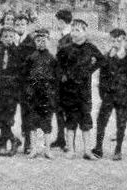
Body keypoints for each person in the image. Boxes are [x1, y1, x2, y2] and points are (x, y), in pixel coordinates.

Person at [57, 18, 102, 158]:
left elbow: (101, 59)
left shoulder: (90, 48)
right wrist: (64, 75)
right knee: (70, 119)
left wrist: (89, 70)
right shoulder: (66, 49)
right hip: (69, 90)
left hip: (84, 90)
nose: (74, 33)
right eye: (73, 30)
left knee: (85, 119)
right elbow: (58, 64)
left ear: (85, 32)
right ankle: (71, 150)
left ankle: (87, 151)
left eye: (78, 30)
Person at [91, 27, 127, 161]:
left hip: (123, 95)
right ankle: (98, 148)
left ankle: (118, 149)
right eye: (114, 40)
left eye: (119, 40)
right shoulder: (106, 57)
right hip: (108, 95)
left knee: (121, 123)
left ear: (124, 41)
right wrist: (103, 93)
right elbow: (102, 77)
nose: (116, 42)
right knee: (101, 120)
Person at [0, 25, 26, 155]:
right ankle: (13, 139)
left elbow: (21, 72)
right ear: (0, 37)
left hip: (11, 89)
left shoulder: (18, 52)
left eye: (11, 36)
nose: (8, 39)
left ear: (14, 37)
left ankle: (3, 145)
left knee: (7, 116)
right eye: (5, 36)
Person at [22, 27, 58, 158]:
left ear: (48, 41)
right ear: (35, 42)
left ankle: (47, 149)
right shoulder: (31, 57)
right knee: (33, 122)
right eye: (38, 40)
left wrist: (53, 93)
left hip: (47, 95)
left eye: (43, 40)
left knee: (47, 122)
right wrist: (28, 90)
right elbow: (25, 75)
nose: (41, 43)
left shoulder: (52, 59)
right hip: (34, 94)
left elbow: (56, 77)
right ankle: (34, 149)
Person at [50, 9, 75, 151]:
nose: (56, 23)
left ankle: (67, 141)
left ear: (62, 21)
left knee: (67, 110)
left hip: (66, 79)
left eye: (57, 21)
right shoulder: (62, 36)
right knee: (58, 108)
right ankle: (60, 138)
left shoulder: (70, 37)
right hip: (59, 77)